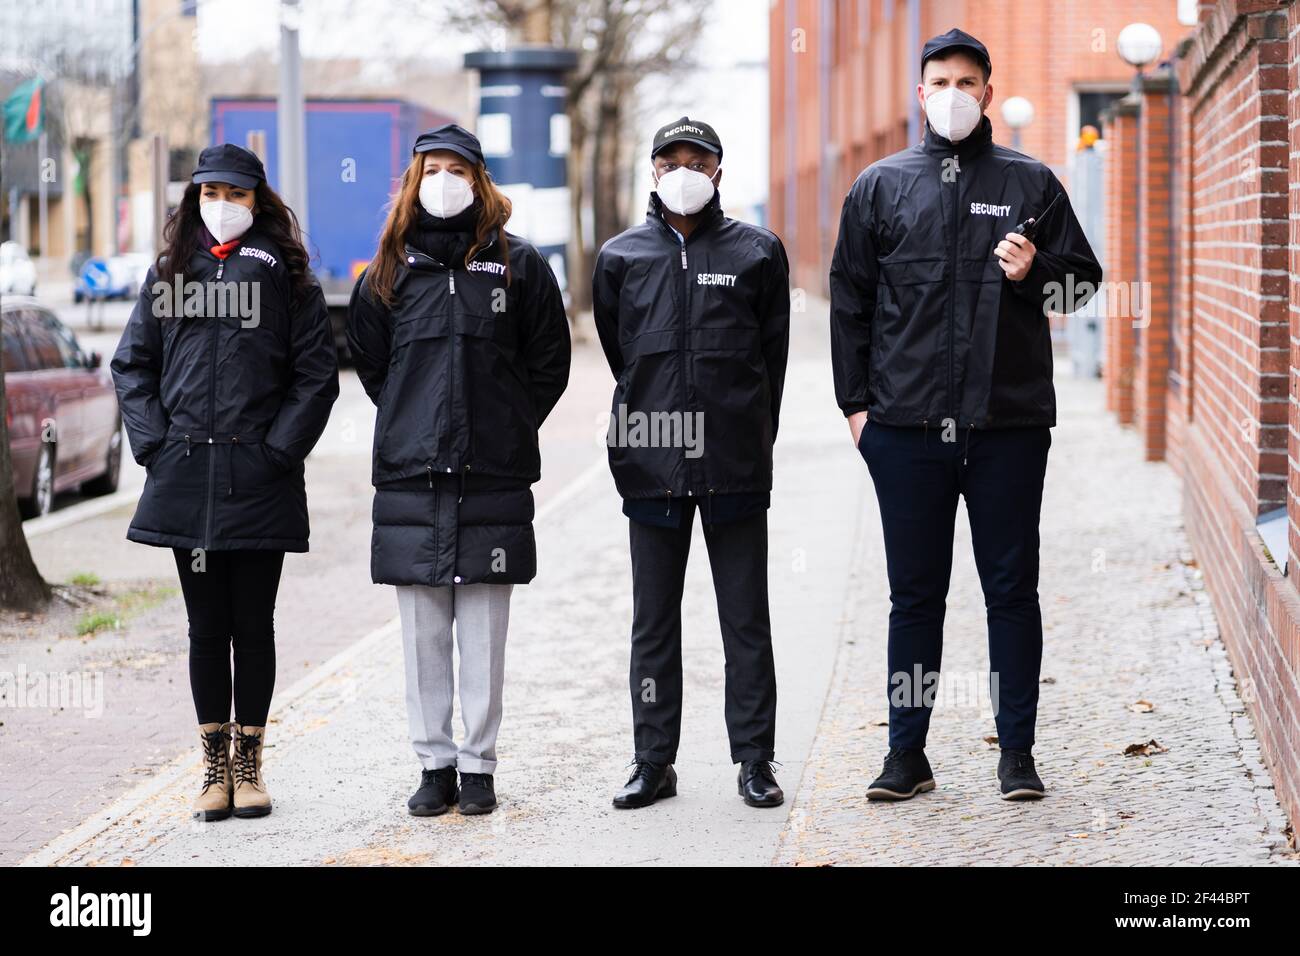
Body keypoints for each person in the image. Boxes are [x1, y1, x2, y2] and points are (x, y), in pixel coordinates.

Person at [829, 29, 1102, 801]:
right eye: (938, 80)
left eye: (966, 80)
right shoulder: (879, 187)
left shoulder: (1032, 182)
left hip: (1007, 427)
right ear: (921, 94)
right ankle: (906, 757)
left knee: (1011, 590)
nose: (952, 92)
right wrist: (857, 412)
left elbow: (1080, 290)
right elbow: (849, 305)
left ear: (987, 90)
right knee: (914, 597)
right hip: (904, 432)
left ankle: (1017, 754)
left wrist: (1036, 271)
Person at [347, 124, 570, 818]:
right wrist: (420, 422)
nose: (444, 180)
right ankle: (433, 764)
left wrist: (501, 424)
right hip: (413, 479)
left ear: (479, 180)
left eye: (457, 169)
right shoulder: (387, 273)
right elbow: (376, 368)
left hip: (491, 479)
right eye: (432, 168)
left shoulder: (519, 266)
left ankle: (479, 767)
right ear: (416, 180)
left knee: (483, 634)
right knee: (421, 636)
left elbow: (548, 365)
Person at [111, 143, 339, 821]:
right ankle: (213, 768)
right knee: (205, 628)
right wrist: (155, 444)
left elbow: (315, 377)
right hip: (185, 475)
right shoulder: (171, 274)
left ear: (257, 202)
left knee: (254, 625)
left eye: (235, 194)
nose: (222, 205)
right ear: (194, 200)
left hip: (257, 478)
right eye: (210, 192)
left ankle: (250, 765)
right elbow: (133, 365)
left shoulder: (288, 279)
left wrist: (277, 453)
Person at [593, 116, 791, 809]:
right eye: (670, 159)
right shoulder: (621, 257)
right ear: (653, 170)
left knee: (745, 619)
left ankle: (756, 760)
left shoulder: (757, 252)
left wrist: (749, 437)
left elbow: (773, 361)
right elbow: (624, 358)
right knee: (653, 623)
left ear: (717, 171)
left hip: (735, 463)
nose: (683, 170)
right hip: (651, 468)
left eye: (696, 159)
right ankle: (653, 762)